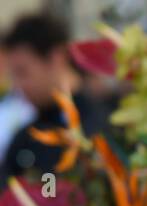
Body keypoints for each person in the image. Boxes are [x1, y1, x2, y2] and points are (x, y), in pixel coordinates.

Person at [0, 14, 106, 182]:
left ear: (56, 58)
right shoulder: (25, 140)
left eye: (23, 72)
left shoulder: (105, 118)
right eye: (13, 76)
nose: (19, 86)